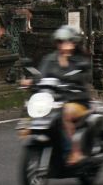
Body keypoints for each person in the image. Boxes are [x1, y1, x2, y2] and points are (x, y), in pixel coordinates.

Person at [38, 24, 92, 165]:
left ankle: (74, 152)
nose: (63, 45)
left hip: (76, 100)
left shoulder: (80, 60)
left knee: (65, 114)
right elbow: (40, 76)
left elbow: (84, 77)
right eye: (60, 42)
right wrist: (29, 82)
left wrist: (72, 79)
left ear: (74, 43)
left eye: (66, 41)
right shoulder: (50, 59)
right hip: (54, 100)